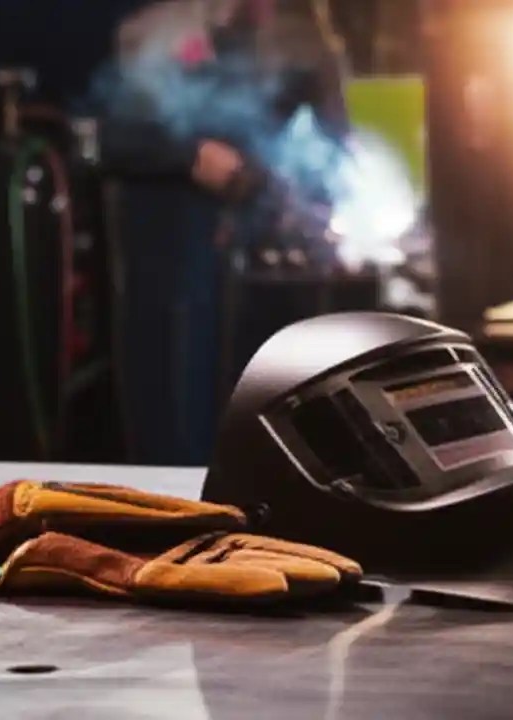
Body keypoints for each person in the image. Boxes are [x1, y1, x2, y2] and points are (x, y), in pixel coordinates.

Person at [97, 0, 351, 465]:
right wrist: (191, 156)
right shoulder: (158, 33)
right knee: (177, 419)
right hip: (173, 261)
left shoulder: (301, 38)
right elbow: (116, 140)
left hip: (257, 267)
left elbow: (336, 139)